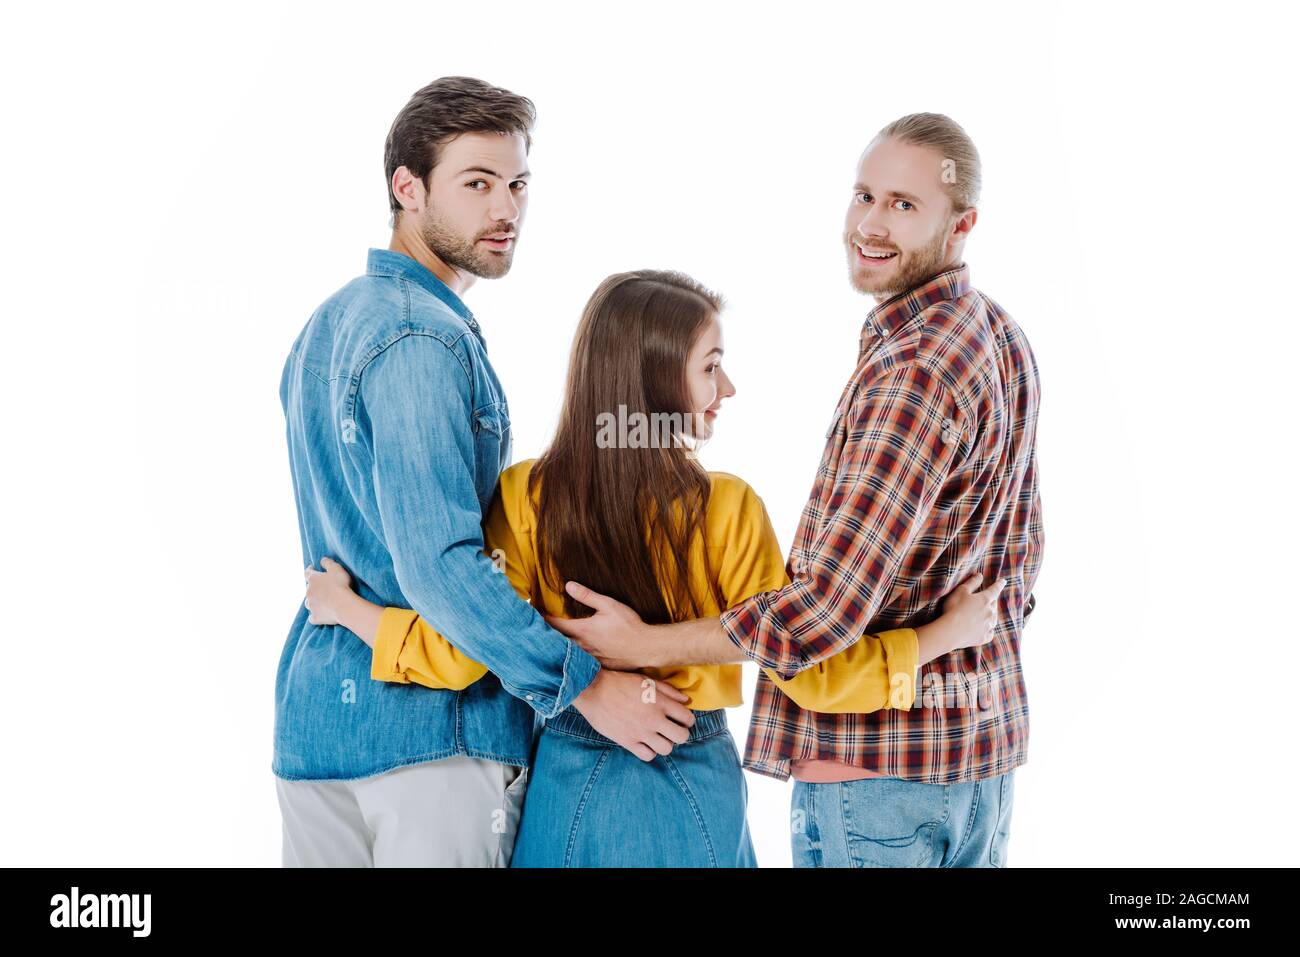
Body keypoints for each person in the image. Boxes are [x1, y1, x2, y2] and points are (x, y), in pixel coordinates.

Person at [304, 269, 1004, 867]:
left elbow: (463, 654)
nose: (726, 387)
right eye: (710, 365)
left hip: (565, 780)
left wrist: (349, 609)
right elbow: (812, 671)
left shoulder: (524, 497)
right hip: (691, 779)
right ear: (656, 381)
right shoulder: (726, 508)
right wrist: (938, 636)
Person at [548, 113, 1045, 868]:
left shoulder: (910, 372)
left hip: (879, 776)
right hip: (980, 766)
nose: (870, 224)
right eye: (864, 195)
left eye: (904, 205)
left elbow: (819, 619)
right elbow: (1020, 556)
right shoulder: (997, 334)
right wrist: (952, 638)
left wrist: (642, 645)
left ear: (963, 223)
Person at [274, 77, 691, 868]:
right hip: (433, 741)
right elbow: (439, 566)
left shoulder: (326, 327)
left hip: (316, 729)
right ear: (407, 188)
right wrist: (580, 686)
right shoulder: (421, 338)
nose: (506, 210)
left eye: (518, 184)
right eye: (477, 184)